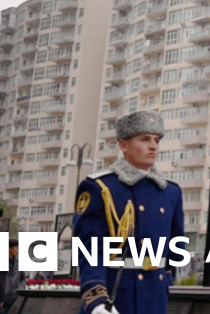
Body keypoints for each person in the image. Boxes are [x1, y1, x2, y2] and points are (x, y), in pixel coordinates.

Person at [74, 111, 185, 314]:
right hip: (117, 295)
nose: (153, 146)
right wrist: (96, 297)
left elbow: (176, 244)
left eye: (156, 140)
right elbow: (90, 249)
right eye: (144, 139)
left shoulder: (171, 191)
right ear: (123, 145)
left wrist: (167, 281)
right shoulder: (100, 187)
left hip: (155, 295)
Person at [3, 239, 25, 314]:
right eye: (17, 248)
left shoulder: (19, 262)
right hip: (2, 299)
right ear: (9, 249)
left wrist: (21, 288)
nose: (18, 250)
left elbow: (23, 278)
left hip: (15, 297)